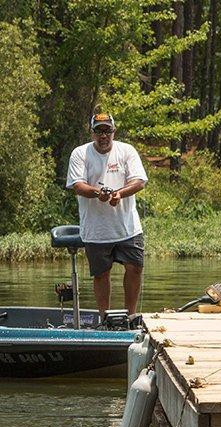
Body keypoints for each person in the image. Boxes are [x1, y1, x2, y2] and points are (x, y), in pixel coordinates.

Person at [64, 112, 148, 318]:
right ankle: (104, 318)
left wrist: (119, 193)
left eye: (107, 131)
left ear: (113, 131)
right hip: (96, 229)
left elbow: (140, 181)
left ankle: (130, 316)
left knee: (135, 268)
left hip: (127, 226)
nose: (103, 136)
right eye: (99, 131)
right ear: (92, 133)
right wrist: (97, 193)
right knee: (101, 274)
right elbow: (77, 185)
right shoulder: (80, 153)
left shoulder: (126, 151)